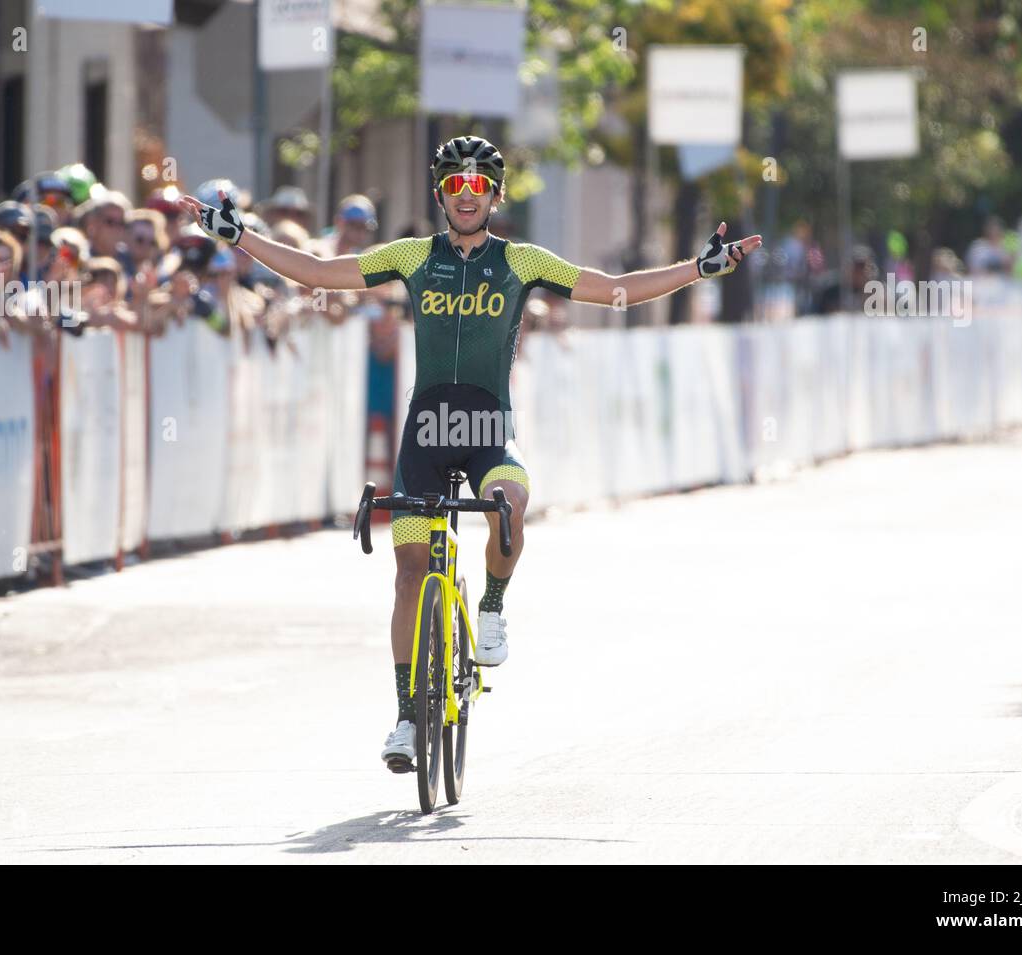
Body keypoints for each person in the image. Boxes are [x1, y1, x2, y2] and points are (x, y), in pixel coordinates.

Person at [181, 135, 760, 771]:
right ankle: (406, 716)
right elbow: (318, 275)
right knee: (406, 575)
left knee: (509, 503)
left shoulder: (523, 262)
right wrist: (238, 239)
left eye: (477, 185)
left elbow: (614, 288)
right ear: (440, 194)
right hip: (425, 433)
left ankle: (491, 609)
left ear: (494, 195)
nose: (465, 195)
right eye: (454, 185)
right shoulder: (410, 256)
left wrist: (697, 270)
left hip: (488, 430)